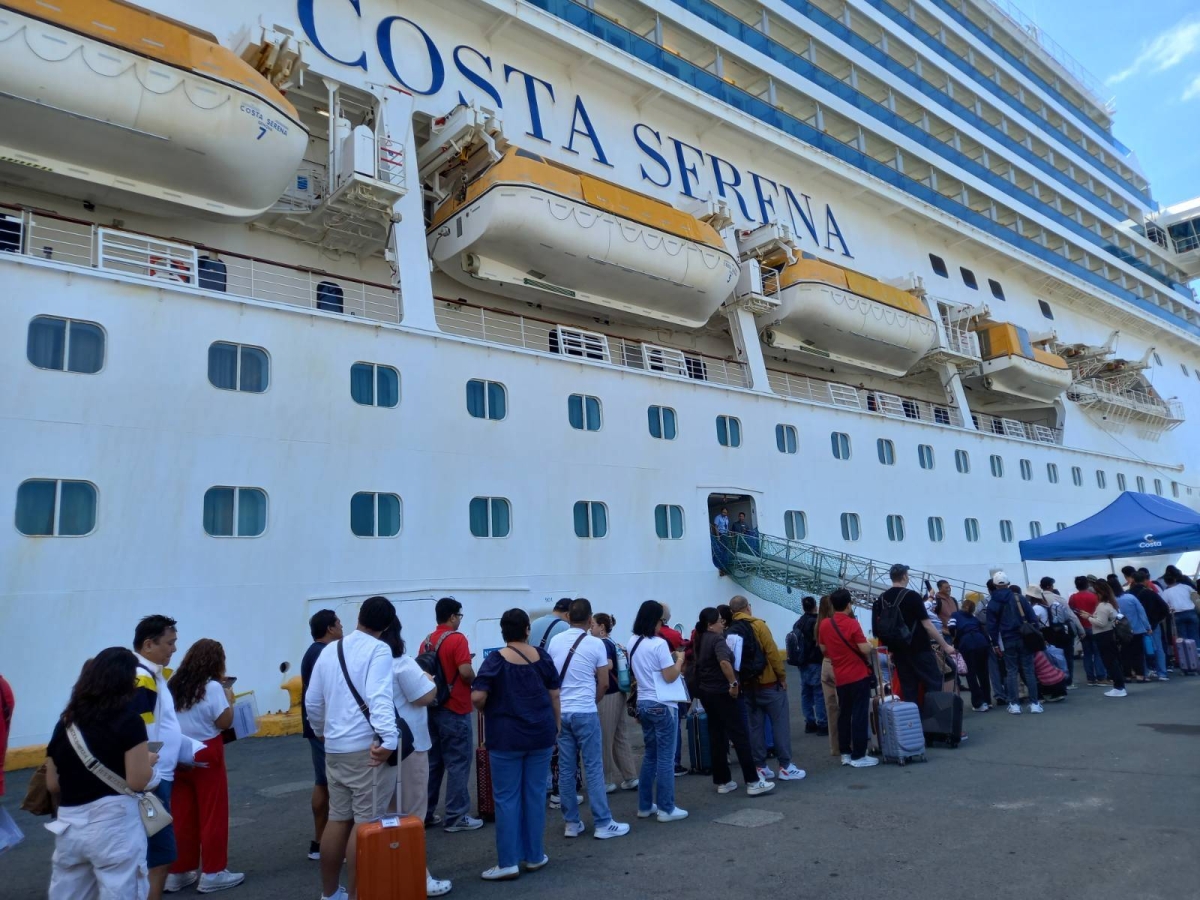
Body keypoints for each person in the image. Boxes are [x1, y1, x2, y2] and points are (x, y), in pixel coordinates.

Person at [305, 595, 399, 900]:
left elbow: (312, 701)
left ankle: (331, 893)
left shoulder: (330, 650)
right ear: (386, 625)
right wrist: (389, 740)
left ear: (359, 617)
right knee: (366, 825)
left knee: (337, 819)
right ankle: (362, 894)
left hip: (335, 747)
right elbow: (379, 696)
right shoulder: (379, 649)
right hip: (366, 749)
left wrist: (321, 732)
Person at [45, 648, 154, 899]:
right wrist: (147, 761)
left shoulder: (65, 723)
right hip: (114, 823)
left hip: (69, 824)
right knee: (122, 889)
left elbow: (52, 784)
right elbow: (137, 780)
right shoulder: (129, 721)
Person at [471, 608, 561, 881]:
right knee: (534, 795)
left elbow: (476, 697)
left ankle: (508, 861)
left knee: (507, 798)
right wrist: (555, 726)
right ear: (526, 630)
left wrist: (489, 708)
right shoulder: (542, 657)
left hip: (506, 737)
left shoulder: (495, 661)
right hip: (540, 734)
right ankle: (534, 856)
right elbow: (554, 694)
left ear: (503, 631)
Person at [378, 619, 451, 898]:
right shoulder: (402, 663)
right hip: (409, 746)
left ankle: (387, 871)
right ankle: (419, 876)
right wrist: (429, 680)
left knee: (385, 814)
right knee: (413, 816)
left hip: (380, 746)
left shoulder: (369, 664)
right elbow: (424, 696)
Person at [164, 640, 242, 894]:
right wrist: (229, 699)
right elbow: (224, 722)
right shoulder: (213, 688)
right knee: (213, 814)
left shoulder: (174, 684)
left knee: (182, 815)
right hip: (207, 751)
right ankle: (212, 872)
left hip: (178, 752)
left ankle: (178, 871)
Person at [547, 598, 629, 840]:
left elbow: (552, 678)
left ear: (568, 617)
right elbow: (604, 682)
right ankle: (603, 822)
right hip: (585, 710)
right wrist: (593, 700)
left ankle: (571, 823)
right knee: (593, 767)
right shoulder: (596, 645)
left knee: (566, 768)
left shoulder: (555, 641)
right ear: (591, 619)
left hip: (563, 711)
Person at [691, 608, 774, 796]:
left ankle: (723, 780)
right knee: (739, 735)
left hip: (707, 692)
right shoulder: (717, 639)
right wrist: (733, 683)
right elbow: (724, 662)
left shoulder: (701, 638)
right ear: (711, 624)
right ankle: (752, 780)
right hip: (722, 691)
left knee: (717, 735)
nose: (723, 623)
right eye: (720, 621)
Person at [728, 596, 806, 783]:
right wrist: (782, 677)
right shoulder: (759, 625)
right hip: (769, 683)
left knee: (755, 727)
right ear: (748, 607)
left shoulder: (731, 631)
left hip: (748, 686)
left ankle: (760, 766)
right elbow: (771, 652)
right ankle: (785, 766)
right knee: (779, 725)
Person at [132, 615, 183, 900]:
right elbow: (142, 731)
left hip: (158, 773)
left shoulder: (151, 675)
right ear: (149, 644)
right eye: (170, 643)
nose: (174, 649)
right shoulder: (144, 679)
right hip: (153, 779)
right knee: (160, 853)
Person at [423, 597, 482, 832]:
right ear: (452, 617)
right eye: (459, 615)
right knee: (458, 762)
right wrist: (477, 683)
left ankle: (425, 812)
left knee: (433, 762)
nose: (459, 620)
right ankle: (456, 815)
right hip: (455, 706)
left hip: (432, 706)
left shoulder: (427, 641)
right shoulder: (457, 639)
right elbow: (465, 671)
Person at [628, 600, 688, 822]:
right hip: (663, 703)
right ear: (656, 620)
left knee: (650, 756)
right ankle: (666, 808)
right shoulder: (659, 644)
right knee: (666, 757)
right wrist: (680, 660)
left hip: (644, 702)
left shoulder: (633, 641)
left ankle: (645, 805)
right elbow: (670, 676)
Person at [871, 564, 956, 704]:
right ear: (905, 576)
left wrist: (891, 651)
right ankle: (933, 720)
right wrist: (946, 646)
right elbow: (927, 625)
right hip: (919, 648)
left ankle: (914, 722)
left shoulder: (881, 599)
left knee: (909, 689)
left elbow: (880, 629)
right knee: (933, 683)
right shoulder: (912, 596)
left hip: (899, 652)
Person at [818, 589, 879, 768]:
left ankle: (845, 752)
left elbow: (823, 649)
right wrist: (869, 645)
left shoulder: (825, 625)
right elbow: (864, 649)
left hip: (840, 674)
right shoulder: (852, 624)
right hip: (858, 674)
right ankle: (859, 754)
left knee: (844, 713)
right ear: (848, 604)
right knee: (859, 714)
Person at [301, 609, 343, 861]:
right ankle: (327, 842)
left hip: (317, 727)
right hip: (325, 730)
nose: (342, 627)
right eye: (338, 623)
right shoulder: (324, 654)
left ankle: (320, 841)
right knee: (333, 785)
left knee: (323, 783)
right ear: (329, 628)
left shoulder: (312, 652)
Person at [589, 614, 638, 792]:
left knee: (604, 738)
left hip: (607, 694)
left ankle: (606, 779)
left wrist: (590, 665)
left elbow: (608, 665)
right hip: (618, 692)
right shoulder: (612, 642)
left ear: (602, 627)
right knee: (620, 736)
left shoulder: (601, 644)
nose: (590, 628)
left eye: (593, 625)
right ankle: (630, 776)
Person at [985, 573, 1043, 715]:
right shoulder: (1018, 597)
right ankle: (1035, 703)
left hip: (1007, 639)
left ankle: (1014, 704)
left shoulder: (993, 602)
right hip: (1024, 638)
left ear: (995, 585)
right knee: (1028, 670)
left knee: (1011, 672)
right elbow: (1032, 618)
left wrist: (995, 643)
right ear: (1008, 583)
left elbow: (991, 626)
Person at [1076, 581, 1127, 698]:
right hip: (1109, 635)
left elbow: (1101, 623)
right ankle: (1119, 686)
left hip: (1103, 635)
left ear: (1100, 593)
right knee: (1113, 661)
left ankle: (1119, 687)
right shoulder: (1109, 604)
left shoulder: (1102, 606)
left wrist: (1089, 617)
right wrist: (1091, 615)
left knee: (1110, 662)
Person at [655, 604, 689, 778]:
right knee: (673, 725)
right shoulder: (673, 635)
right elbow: (684, 653)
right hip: (671, 684)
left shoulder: (638, 639)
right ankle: (674, 763)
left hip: (649, 689)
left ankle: (656, 763)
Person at [948, 599, 992, 711]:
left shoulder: (955, 615)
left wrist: (954, 638)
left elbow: (951, 627)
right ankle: (987, 700)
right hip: (982, 643)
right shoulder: (974, 618)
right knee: (983, 673)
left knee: (971, 674)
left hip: (967, 643)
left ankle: (979, 703)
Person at [792, 597, 827, 735]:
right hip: (815, 661)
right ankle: (823, 723)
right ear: (815, 606)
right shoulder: (817, 622)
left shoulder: (798, 623)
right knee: (819, 693)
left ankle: (810, 722)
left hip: (802, 662)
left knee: (806, 693)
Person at [814, 597, 842, 759]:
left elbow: (822, 647)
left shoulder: (819, 624)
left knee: (831, 707)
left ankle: (835, 746)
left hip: (825, 664)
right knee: (844, 706)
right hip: (838, 663)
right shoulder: (834, 623)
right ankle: (849, 743)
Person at [1129, 572, 1170, 681]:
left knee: (1140, 651)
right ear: (1145, 580)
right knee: (1158, 648)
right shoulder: (1150, 593)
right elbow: (1165, 608)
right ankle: (1162, 673)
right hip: (1153, 625)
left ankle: (1145, 673)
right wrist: (1157, 619)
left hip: (1135, 627)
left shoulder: (1128, 594)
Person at [1110, 576, 1151, 683]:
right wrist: (1147, 627)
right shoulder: (1131, 598)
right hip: (1137, 629)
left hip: (1121, 632)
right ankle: (1140, 675)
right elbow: (1141, 613)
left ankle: (1127, 675)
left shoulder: (1111, 602)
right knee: (1138, 654)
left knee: (1124, 653)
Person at [1069, 576, 1107, 685]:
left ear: (1076, 585)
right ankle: (1101, 676)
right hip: (1094, 626)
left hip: (1082, 628)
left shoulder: (1073, 597)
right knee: (1098, 652)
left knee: (1087, 653)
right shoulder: (1094, 597)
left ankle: (1090, 678)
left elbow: (1071, 613)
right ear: (1087, 584)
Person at [1163, 571, 1199, 646]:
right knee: (1195, 636)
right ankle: (1198, 654)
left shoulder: (1165, 593)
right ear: (1175, 579)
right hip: (1191, 612)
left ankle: (1187, 656)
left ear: (1165, 582)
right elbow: (1195, 597)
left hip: (1177, 615)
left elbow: (1164, 606)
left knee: (1183, 639)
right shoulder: (1185, 587)